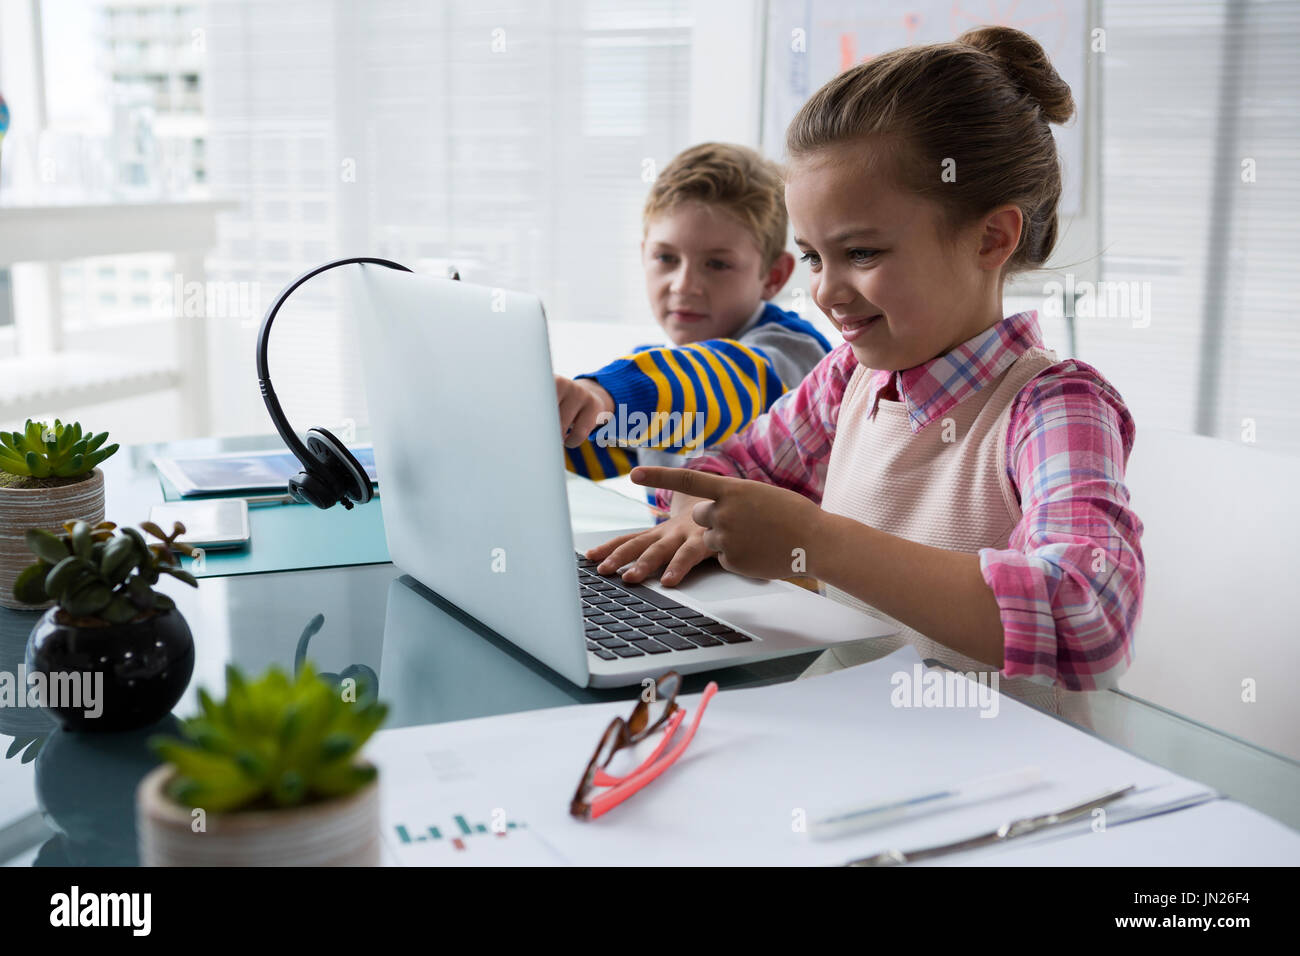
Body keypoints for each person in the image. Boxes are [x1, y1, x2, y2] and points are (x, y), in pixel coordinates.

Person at [585, 26, 1145, 716]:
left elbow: (1090, 616)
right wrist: (701, 518)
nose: (825, 292)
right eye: (814, 257)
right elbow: (728, 470)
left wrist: (816, 543)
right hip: (855, 734)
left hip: (1012, 767)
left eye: (862, 253)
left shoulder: (1056, 407)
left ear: (991, 238)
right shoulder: (848, 379)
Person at [556, 142, 831, 495]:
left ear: (773, 276)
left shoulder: (794, 356)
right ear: (643, 256)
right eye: (666, 258)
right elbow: (587, 449)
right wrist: (561, 418)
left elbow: (720, 383)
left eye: (716, 264)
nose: (683, 285)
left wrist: (605, 393)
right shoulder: (655, 378)